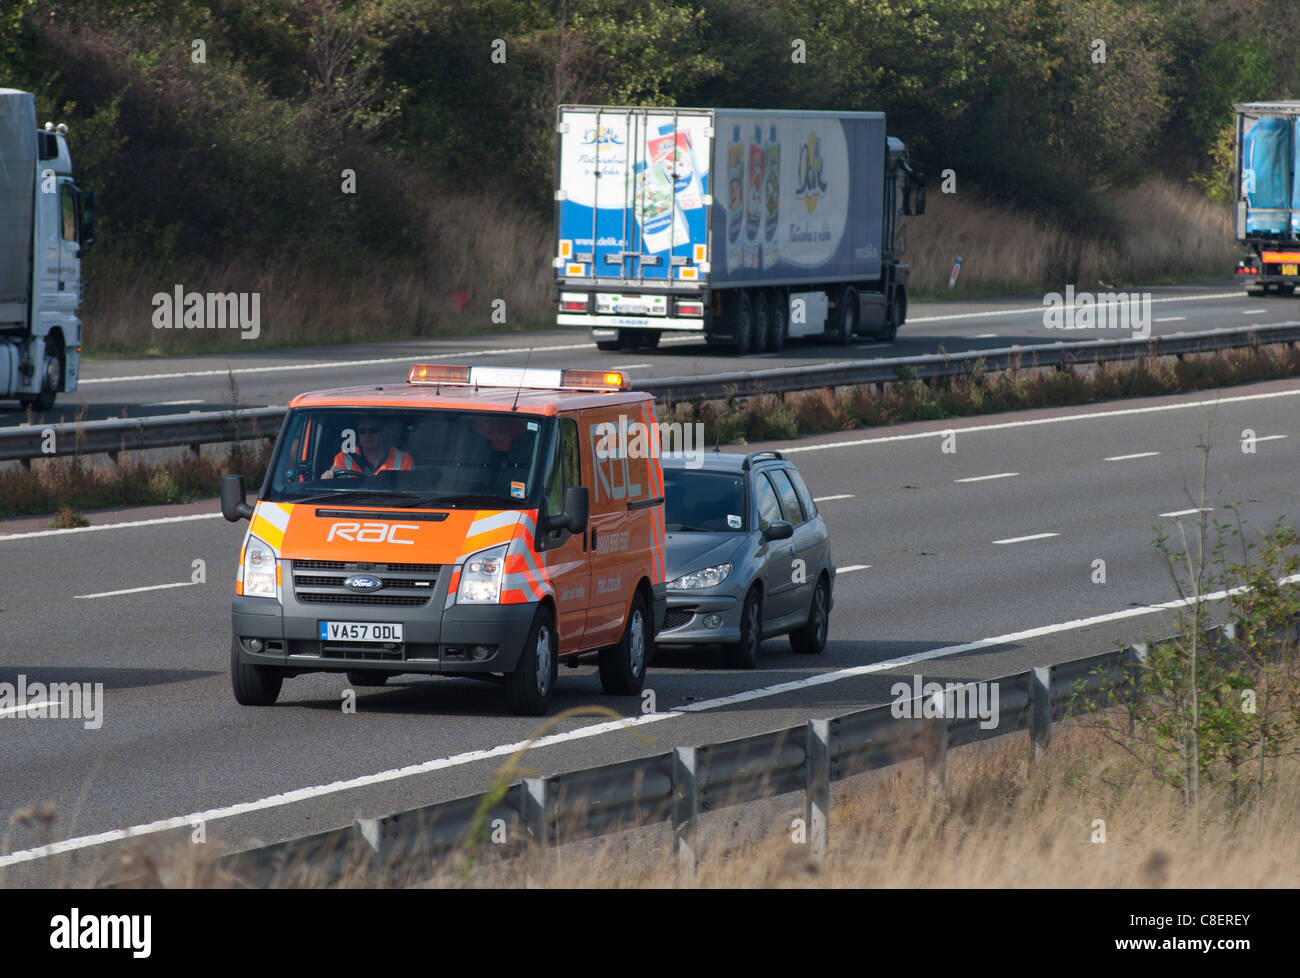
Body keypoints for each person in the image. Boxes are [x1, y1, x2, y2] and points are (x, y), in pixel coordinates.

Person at [321, 418, 413, 478]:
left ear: (383, 432)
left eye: (373, 431)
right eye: (362, 431)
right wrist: (328, 476)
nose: (367, 435)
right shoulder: (344, 458)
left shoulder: (403, 459)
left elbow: (410, 486)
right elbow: (332, 479)